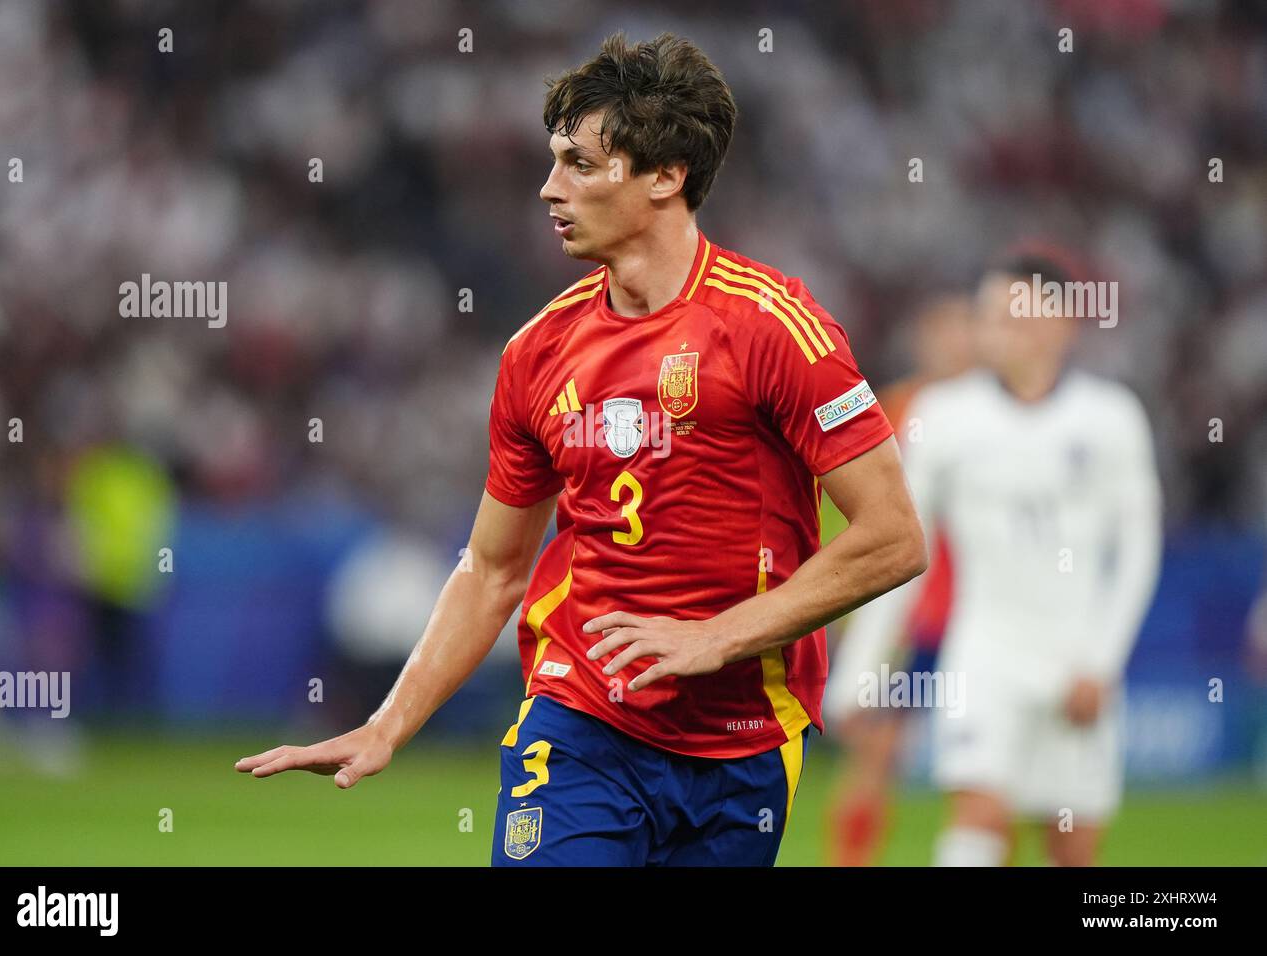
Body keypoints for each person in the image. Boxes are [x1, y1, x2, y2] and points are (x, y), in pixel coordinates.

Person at [236, 31, 926, 867]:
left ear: (666, 177)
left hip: (743, 740)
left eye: (579, 164)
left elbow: (893, 536)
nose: (548, 187)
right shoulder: (538, 352)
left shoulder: (774, 328)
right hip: (582, 722)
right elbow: (492, 570)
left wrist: (715, 638)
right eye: (553, 161)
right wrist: (390, 723)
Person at [834, 250, 1162, 865]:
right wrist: (861, 671)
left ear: (1060, 321)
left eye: (1009, 313)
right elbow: (902, 549)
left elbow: (1139, 550)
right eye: (987, 315)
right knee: (978, 821)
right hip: (985, 654)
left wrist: (1102, 662)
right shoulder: (944, 418)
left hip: (1076, 658)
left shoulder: (1112, 418)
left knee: (1072, 850)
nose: (991, 329)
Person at [825, 294, 975, 866]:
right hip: (907, 616)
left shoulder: (996, 415)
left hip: (980, 617)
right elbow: (849, 512)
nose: (954, 344)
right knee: (874, 759)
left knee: (990, 773)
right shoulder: (892, 410)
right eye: (943, 333)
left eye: (964, 331)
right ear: (924, 342)